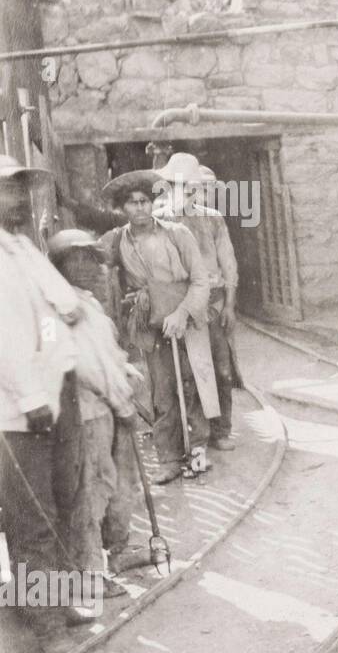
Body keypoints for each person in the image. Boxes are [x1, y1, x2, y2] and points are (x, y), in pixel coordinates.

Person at [0, 156, 85, 653]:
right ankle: (45, 624)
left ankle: (56, 600)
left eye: (18, 191)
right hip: (16, 411)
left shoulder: (21, 248)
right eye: (6, 192)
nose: (16, 201)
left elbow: (65, 305)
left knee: (61, 505)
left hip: (52, 395)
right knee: (30, 519)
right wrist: (29, 398)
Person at [99, 169, 216, 484]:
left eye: (144, 202)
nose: (139, 208)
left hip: (187, 321)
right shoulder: (116, 241)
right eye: (132, 203)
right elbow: (93, 263)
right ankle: (169, 459)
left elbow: (200, 280)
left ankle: (199, 454)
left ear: (152, 204)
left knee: (194, 387)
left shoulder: (178, 234)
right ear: (123, 208)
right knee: (163, 393)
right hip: (151, 326)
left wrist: (182, 313)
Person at [46, 231, 142, 601]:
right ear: (59, 267)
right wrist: (122, 403)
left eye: (92, 259)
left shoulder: (90, 306)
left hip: (105, 407)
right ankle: (89, 574)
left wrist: (126, 372)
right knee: (90, 489)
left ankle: (111, 554)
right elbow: (87, 367)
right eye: (76, 260)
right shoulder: (64, 309)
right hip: (85, 411)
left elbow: (108, 356)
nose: (88, 267)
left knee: (111, 482)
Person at [151, 153, 241, 451]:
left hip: (212, 304)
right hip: (177, 305)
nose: (189, 193)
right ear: (170, 186)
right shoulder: (160, 220)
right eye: (182, 187)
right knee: (185, 373)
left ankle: (221, 429)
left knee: (221, 369)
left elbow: (228, 264)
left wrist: (229, 304)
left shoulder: (213, 219)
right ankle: (190, 434)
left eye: (194, 188)